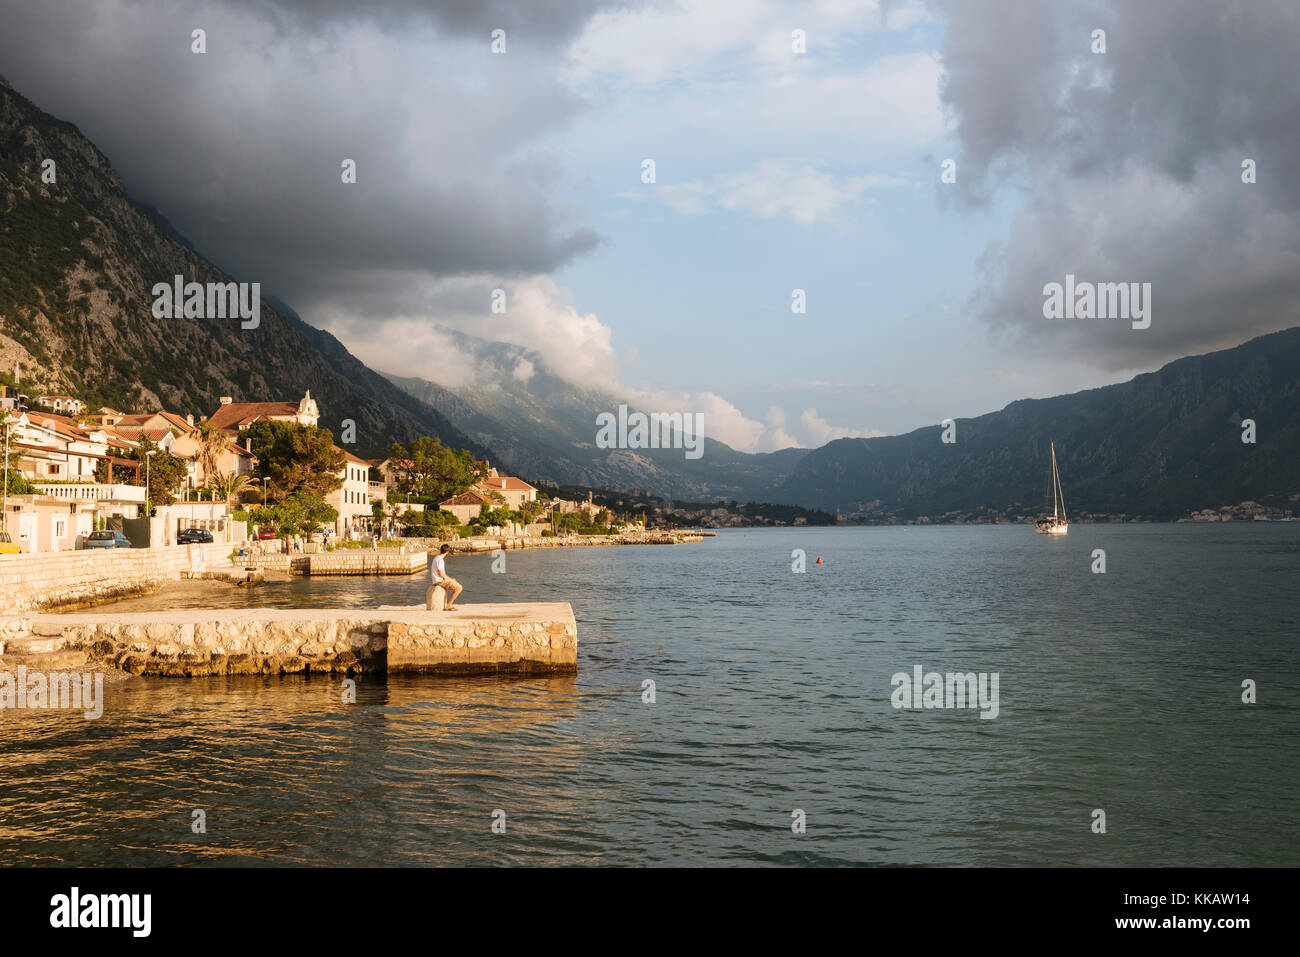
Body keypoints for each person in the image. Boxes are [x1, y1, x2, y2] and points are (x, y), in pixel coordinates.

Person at [426, 543, 463, 611]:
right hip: (440, 581)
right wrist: (451, 579)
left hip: (436, 580)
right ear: (447, 552)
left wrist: (450, 579)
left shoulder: (436, 558)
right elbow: (441, 574)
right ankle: (448, 605)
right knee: (459, 588)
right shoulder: (440, 560)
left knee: (454, 584)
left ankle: (448, 604)